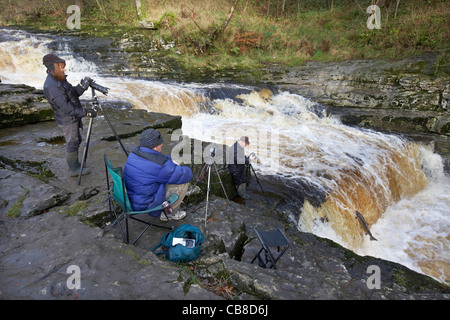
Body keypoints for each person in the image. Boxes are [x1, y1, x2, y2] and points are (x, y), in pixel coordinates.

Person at [42, 53, 97, 177]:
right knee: (72, 142)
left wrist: (82, 86)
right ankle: (74, 170)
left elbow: (72, 94)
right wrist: (87, 112)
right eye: (61, 67)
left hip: (71, 117)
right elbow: (67, 108)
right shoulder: (52, 86)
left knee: (76, 140)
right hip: (68, 119)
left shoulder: (58, 79)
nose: (64, 69)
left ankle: (76, 164)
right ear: (52, 68)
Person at [123, 128, 193, 221]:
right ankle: (170, 214)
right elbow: (186, 175)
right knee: (183, 183)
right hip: (147, 204)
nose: (162, 145)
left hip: (130, 198)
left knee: (166, 178)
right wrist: (179, 166)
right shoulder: (160, 166)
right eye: (159, 143)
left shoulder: (134, 154)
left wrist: (170, 162)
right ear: (154, 147)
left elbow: (159, 159)